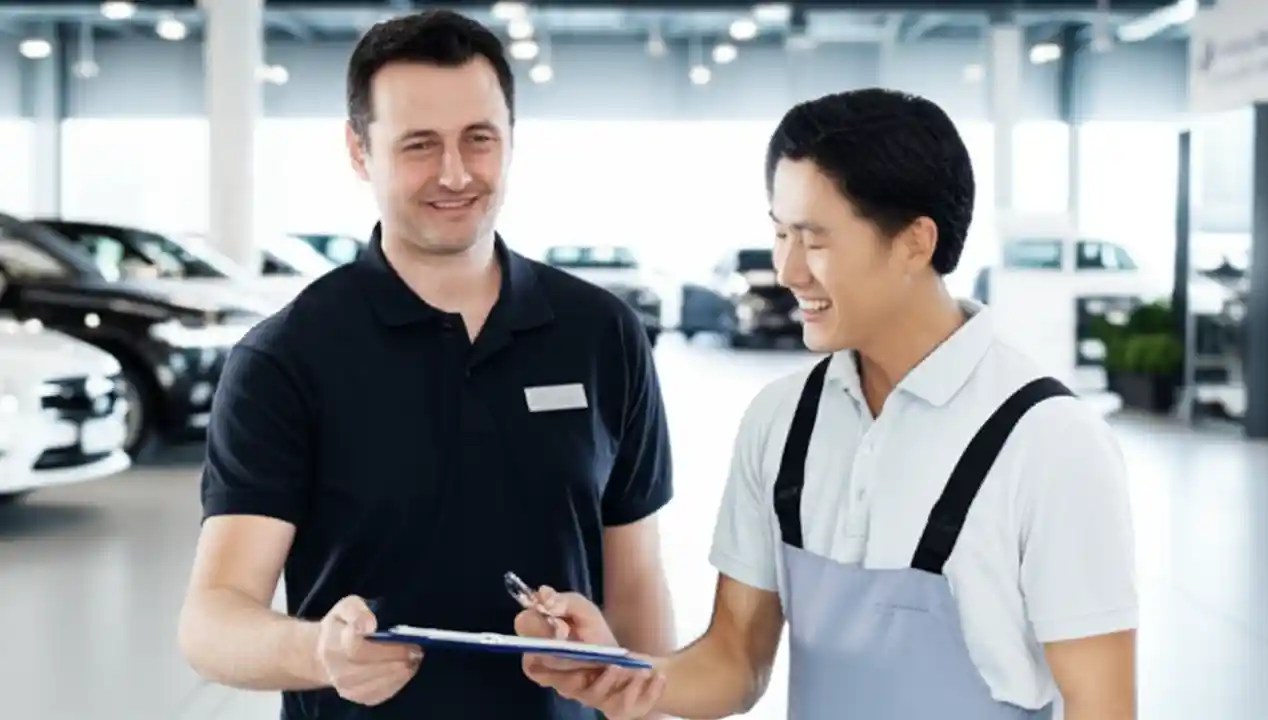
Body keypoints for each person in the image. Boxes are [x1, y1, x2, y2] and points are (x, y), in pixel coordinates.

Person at [514, 88, 1138, 720]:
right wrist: (621, 672)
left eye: (814, 239)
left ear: (915, 243)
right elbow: (734, 660)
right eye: (779, 232)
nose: (787, 269)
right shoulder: (781, 422)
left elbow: (1102, 704)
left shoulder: (1050, 440)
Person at [177, 10, 675, 719]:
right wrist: (319, 651)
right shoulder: (287, 356)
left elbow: (637, 582)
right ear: (359, 151)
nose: (454, 173)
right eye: (418, 145)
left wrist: (645, 704)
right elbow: (212, 621)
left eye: (479, 139)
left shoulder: (602, 334)